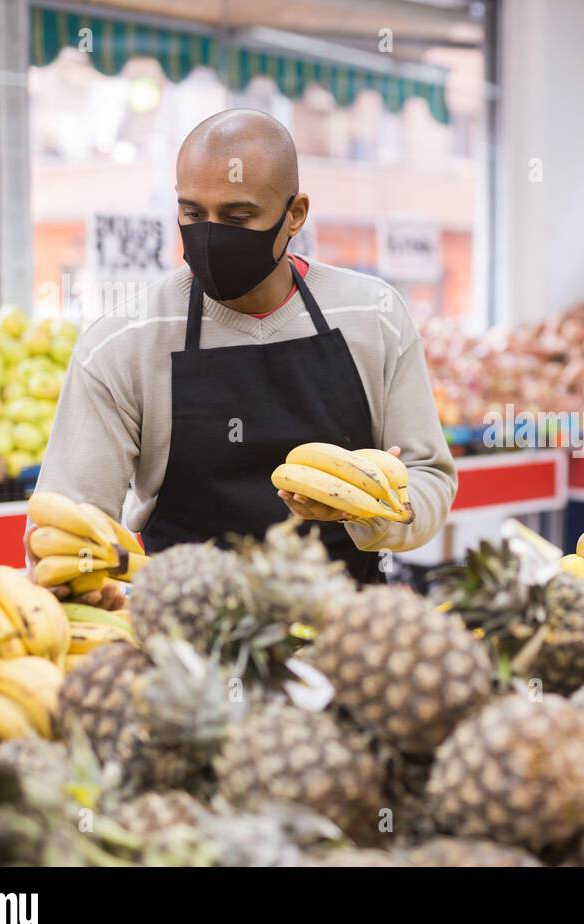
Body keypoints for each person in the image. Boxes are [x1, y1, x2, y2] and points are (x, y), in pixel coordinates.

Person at [32, 109, 455, 602]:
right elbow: (65, 521)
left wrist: (373, 511)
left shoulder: (372, 315)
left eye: (236, 217)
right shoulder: (124, 341)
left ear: (295, 214)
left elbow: (429, 477)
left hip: (346, 636)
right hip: (183, 643)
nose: (210, 236)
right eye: (192, 214)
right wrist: (89, 584)